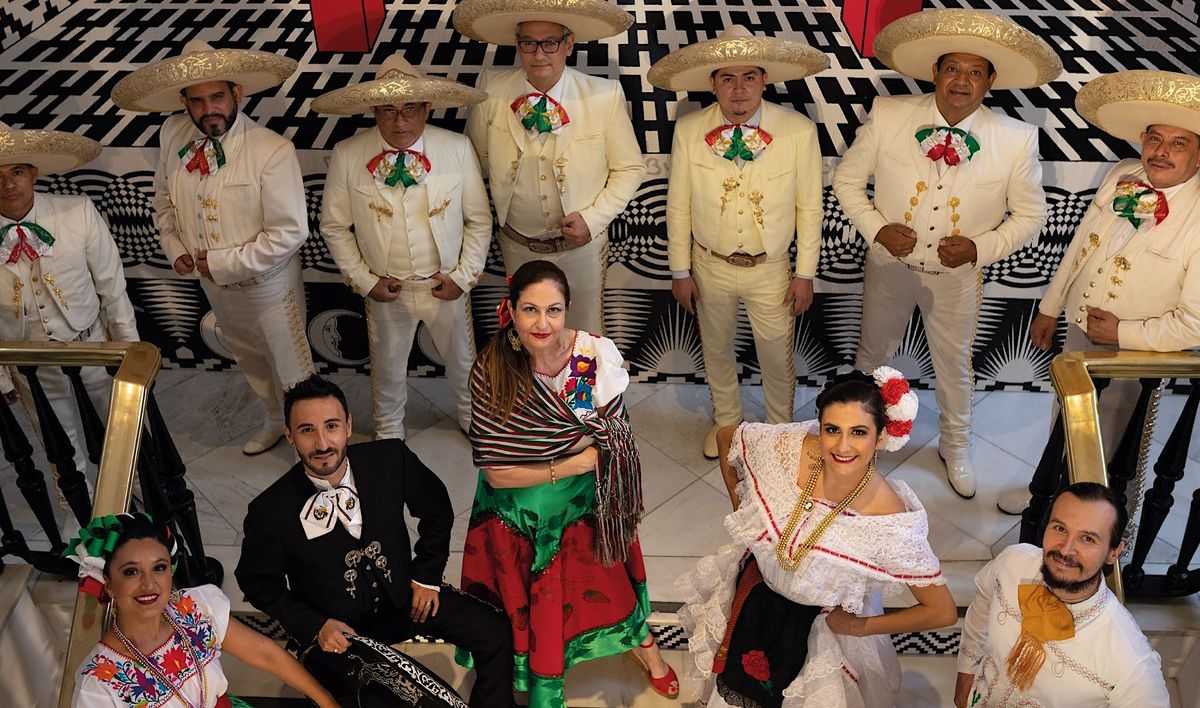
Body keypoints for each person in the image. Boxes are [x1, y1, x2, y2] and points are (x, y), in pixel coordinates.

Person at [832, 9, 1059, 499]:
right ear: (935, 72)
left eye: (976, 72)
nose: (963, 80)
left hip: (957, 278)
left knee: (953, 364)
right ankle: (858, 440)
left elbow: (1030, 217)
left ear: (991, 81)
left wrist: (981, 247)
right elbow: (846, 181)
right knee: (872, 355)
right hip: (889, 266)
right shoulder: (889, 113)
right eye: (953, 68)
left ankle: (955, 446)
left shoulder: (1016, 138)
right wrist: (876, 230)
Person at [460, 260, 677, 704]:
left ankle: (645, 649)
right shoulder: (492, 369)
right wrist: (571, 465)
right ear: (511, 311)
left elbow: (613, 430)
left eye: (553, 310)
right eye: (530, 310)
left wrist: (590, 461)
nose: (542, 324)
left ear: (569, 309)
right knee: (533, 605)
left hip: (583, 506)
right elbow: (498, 472)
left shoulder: (593, 357)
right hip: (518, 512)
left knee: (609, 587)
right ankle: (543, 677)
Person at [677, 369, 957, 707]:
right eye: (832, 430)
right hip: (757, 597)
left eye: (859, 432)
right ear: (819, 427)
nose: (842, 446)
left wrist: (860, 627)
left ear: (880, 437)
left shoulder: (888, 519)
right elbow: (727, 438)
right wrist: (746, 511)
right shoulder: (792, 447)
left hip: (819, 630)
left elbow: (942, 611)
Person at [236, 375, 513, 707]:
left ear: (349, 426)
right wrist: (316, 625)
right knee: (398, 700)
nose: (323, 444)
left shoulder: (390, 459)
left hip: (406, 602)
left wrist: (425, 576)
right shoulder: (270, 511)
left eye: (332, 426)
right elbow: (257, 584)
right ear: (289, 435)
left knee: (495, 631)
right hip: (339, 632)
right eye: (307, 430)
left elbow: (436, 509)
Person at [1000, 70, 1200, 515]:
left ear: (1199, 153)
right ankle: (1048, 492)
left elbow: (1193, 323)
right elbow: (1080, 247)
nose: (1161, 152)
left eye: (1179, 143)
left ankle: (1105, 530)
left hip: (1135, 354)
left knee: (1111, 445)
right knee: (1066, 419)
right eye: (1154, 139)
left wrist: (1123, 334)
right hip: (1079, 329)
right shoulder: (1124, 173)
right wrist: (1051, 308)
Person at [111, 39, 315, 456]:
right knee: (251, 362)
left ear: (237, 93)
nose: (209, 110)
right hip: (217, 290)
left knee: (293, 370)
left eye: (218, 97)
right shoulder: (173, 134)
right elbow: (163, 198)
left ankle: (312, 446)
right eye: (198, 100)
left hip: (271, 288)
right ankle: (275, 420)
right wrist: (173, 247)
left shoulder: (272, 150)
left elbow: (289, 234)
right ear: (184, 101)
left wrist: (219, 262)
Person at [649, 26, 828, 460]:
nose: (739, 89)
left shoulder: (798, 130)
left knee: (775, 353)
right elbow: (678, 207)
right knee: (715, 347)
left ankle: (780, 432)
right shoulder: (690, 129)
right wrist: (679, 270)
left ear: (764, 80)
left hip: (772, 267)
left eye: (749, 77)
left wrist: (805, 274)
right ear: (712, 83)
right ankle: (726, 422)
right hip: (708, 263)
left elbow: (810, 209)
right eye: (727, 78)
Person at [314, 53, 491, 440]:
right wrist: (365, 280)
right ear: (373, 110)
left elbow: (478, 220)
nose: (399, 122)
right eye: (388, 111)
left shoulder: (457, 147)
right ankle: (388, 429)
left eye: (410, 108)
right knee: (388, 368)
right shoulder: (348, 153)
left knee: (463, 363)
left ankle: (472, 418)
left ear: (427, 107)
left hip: (445, 285)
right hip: (385, 289)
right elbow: (333, 225)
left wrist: (463, 277)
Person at [455, 0, 645, 334]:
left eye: (550, 43)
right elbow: (473, 163)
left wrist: (592, 218)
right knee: (528, 335)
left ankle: (585, 389)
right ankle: (532, 389)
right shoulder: (492, 89)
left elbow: (630, 169)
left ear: (568, 44)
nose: (538, 54)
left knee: (583, 336)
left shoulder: (604, 95)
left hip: (581, 249)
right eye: (528, 42)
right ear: (518, 44)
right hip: (517, 244)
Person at [0, 121, 138, 514]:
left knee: (123, 430)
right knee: (59, 443)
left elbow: (112, 285)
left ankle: (139, 490)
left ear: (34, 173)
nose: (8, 184)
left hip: (92, 346)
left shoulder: (77, 211)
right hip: (29, 362)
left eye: (16, 171)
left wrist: (128, 352)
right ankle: (80, 509)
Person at [66, 512, 338, 707]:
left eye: (159, 568)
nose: (149, 584)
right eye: (131, 571)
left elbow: (265, 654)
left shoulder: (193, 610)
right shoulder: (100, 682)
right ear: (108, 584)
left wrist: (325, 699)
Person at [955, 482, 1170, 706]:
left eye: (1087, 538)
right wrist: (965, 671)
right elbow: (982, 603)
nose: (1066, 549)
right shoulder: (1013, 561)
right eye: (1060, 528)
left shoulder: (1131, 661)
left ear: (1113, 552)